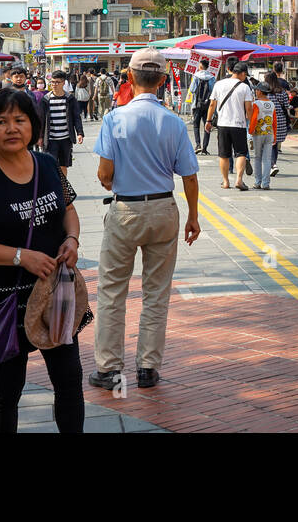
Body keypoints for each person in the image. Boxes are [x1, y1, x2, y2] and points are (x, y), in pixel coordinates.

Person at [0, 88, 84, 433]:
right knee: (8, 389)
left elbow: (68, 211)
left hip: (53, 295)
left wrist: (71, 239)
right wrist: (20, 257)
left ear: (33, 127)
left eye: (20, 120)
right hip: (5, 301)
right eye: (1, 121)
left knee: (69, 382)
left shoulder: (48, 164)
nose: (11, 128)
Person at [90, 49, 200, 391]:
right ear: (163, 81)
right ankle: (148, 368)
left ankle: (109, 369)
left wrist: (115, 178)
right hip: (164, 210)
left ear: (130, 78)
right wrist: (193, 216)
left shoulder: (114, 119)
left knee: (112, 291)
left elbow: (104, 173)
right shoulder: (174, 122)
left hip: (125, 211)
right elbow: (189, 176)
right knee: (156, 293)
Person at [206, 61, 254, 191]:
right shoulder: (245, 87)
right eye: (245, 75)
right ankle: (239, 180)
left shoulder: (219, 84)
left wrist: (208, 121)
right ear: (242, 73)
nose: (245, 78)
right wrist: (250, 121)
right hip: (239, 124)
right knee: (241, 153)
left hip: (222, 124)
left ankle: (226, 181)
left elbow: (212, 105)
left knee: (224, 155)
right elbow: (249, 108)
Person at [44, 71, 83, 179]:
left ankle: (63, 189)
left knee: (63, 166)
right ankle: (53, 188)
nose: (54, 85)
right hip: (51, 139)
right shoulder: (46, 99)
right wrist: (39, 137)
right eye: (52, 82)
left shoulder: (70, 99)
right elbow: (42, 120)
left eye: (57, 82)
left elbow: (76, 117)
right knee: (50, 166)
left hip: (65, 138)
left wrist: (79, 133)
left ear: (63, 83)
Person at [0, 65, 49, 147]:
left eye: (21, 76)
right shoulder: (6, 95)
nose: (19, 79)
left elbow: (36, 114)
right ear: (11, 78)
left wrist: (38, 134)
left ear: (26, 78)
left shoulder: (31, 95)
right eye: (16, 77)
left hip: (27, 132)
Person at [248, 81, 277, 190]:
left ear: (260, 91)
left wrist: (251, 130)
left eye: (256, 90)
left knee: (257, 157)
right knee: (267, 159)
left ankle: (257, 182)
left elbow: (254, 118)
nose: (256, 91)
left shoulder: (256, 104)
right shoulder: (272, 104)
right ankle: (266, 183)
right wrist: (275, 134)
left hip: (258, 133)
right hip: (269, 133)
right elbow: (274, 121)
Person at [187, 58, 216, 154]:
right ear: (207, 67)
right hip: (208, 106)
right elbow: (213, 91)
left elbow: (192, 90)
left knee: (196, 125)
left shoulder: (196, 76)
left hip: (197, 104)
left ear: (200, 66)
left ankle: (198, 145)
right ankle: (205, 148)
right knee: (207, 125)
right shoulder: (212, 77)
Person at [266, 71, 291, 176]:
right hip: (280, 120)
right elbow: (287, 106)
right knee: (275, 144)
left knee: (267, 144)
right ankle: (273, 163)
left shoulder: (264, 92)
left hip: (267, 119)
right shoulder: (282, 92)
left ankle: (271, 164)